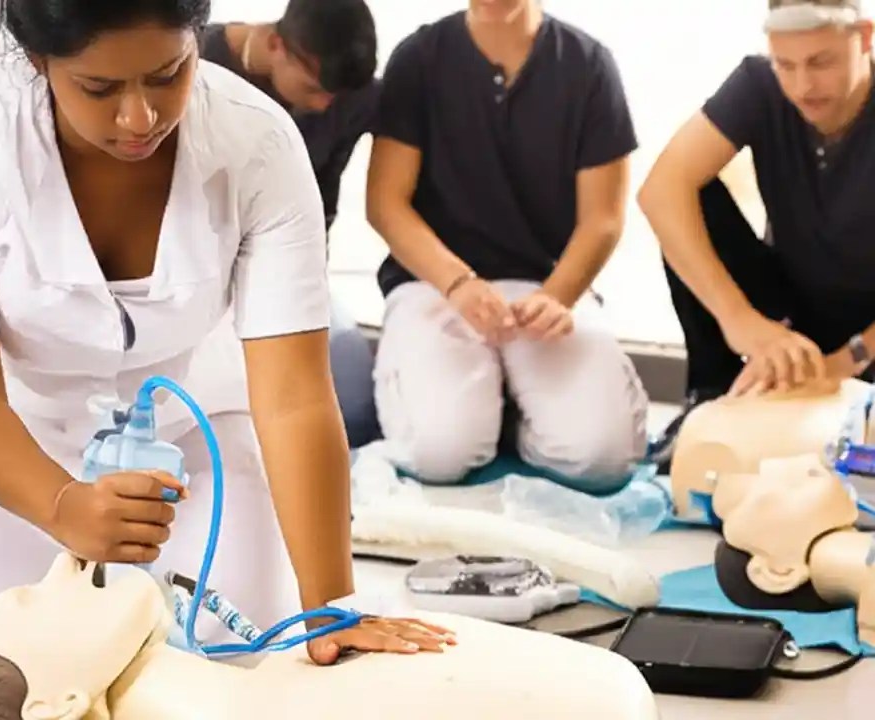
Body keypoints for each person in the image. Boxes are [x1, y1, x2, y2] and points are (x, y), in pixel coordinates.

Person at [0, 0, 449, 699]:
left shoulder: (259, 144)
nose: (140, 119)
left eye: (167, 74)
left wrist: (330, 606)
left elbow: (295, 394)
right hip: (8, 437)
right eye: (100, 89)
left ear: (197, 39)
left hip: (194, 438)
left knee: (241, 653)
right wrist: (63, 506)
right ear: (39, 62)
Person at [364, 0, 648, 487]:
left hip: (543, 293)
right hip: (435, 284)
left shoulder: (588, 65)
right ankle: (486, 402)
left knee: (601, 459)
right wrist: (458, 284)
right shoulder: (420, 58)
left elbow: (602, 219)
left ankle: (511, 408)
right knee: (440, 453)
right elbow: (386, 203)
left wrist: (557, 296)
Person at [639, 0, 875, 463]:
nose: (803, 86)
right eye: (786, 64)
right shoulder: (758, 84)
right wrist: (739, 321)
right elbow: (659, 191)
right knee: (692, 200)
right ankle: (710, 393)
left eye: (821, 63)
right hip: (795, 298)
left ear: (866, 38)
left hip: (869, 329)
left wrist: (846, 362)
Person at [198, 0, 383, 447]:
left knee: (354, 403)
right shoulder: (194, 65)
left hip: (288, 267)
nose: (323, 106)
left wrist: (305, 286)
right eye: (315, 88)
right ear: (276, 43)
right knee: (233, 405)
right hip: (203, 275)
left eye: (335, 97)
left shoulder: (349, 95)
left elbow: (325, 198)